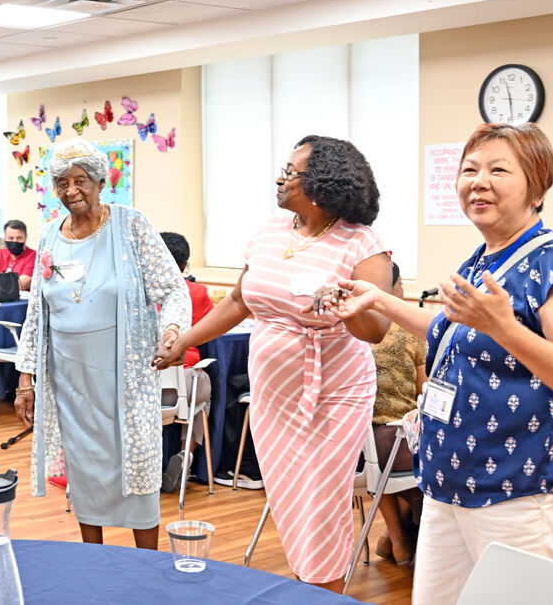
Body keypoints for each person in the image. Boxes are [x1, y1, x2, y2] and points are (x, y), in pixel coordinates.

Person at [329, 123, 553, 604]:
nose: (478, 181)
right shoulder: (486, 257)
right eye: (469, 169)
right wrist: (379, 300)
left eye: (497, 170)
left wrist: (505, 329)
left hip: (517, 485)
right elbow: (455, 334)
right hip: (450, 480)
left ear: (539, 186)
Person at [155, 135, 391, 592]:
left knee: (321, 502)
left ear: (324, 182)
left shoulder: (362, 244)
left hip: (334, 394)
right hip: (274, 398)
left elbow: (376, 330)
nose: (281, 177)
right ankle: (309, 580)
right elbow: (240, 301)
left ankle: (321, 592)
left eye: (292, 170)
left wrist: (349, 308)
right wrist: (183, 339)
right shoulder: (269, 232)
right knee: (289, 499)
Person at [14, 138, 190, 550]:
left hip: (125, 378)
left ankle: (147, 565)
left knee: (139, 467)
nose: (71, 190)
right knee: (86, 474)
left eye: (80, 180)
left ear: (100, 181)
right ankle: (92, 559)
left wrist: (172, 331)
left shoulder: (131, 225)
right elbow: (36, 314)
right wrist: (26, 379)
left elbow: (174, 290)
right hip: (72, 383)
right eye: (61, 182)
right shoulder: (50, 237)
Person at [370, 261, 426, 566]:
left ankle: (395, 540)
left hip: (354, 445)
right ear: (390, 288)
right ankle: (404, 537)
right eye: (401, 283)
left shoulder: (348, 330)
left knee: (384, 474)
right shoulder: (408, 332)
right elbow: (425, 393)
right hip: (396, 440)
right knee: (437, 461)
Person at [158, 231, 214, 493]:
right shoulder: (197, 292)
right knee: (200, 402)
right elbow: (212, 329)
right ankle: (186, 453)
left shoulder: (137, 294)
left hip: (145, 381)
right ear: (183, 265)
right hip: (185, 379)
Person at [0, 219, 35, 291]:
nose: (15, 241)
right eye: (11, 238)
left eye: (19, 238)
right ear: (5, 238)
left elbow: (22, 283)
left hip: (20, 301)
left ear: (25, 237)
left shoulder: (33, 256)